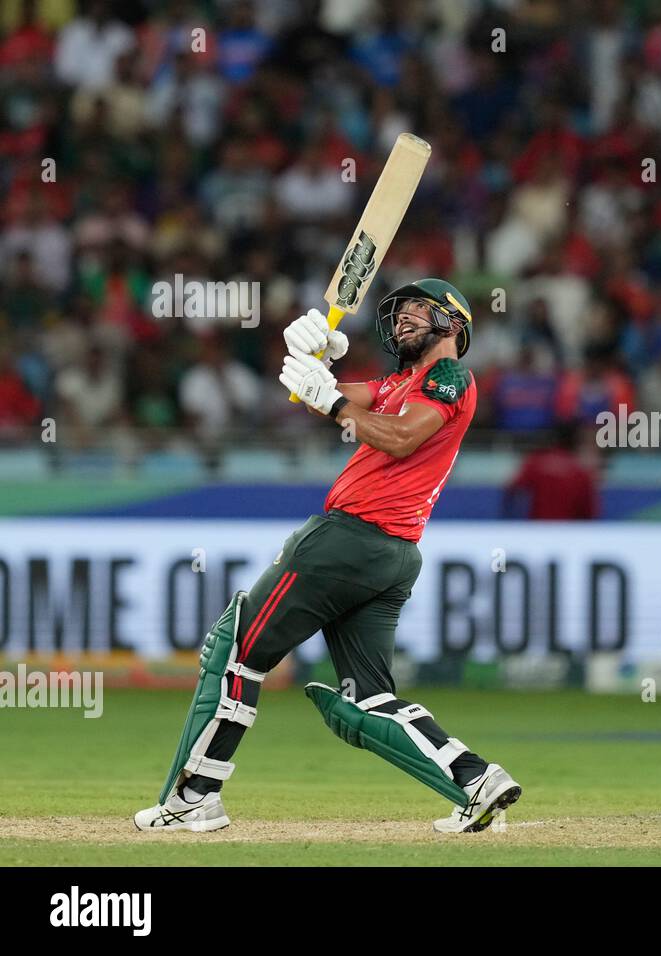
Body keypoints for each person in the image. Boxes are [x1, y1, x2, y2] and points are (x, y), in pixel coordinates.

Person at [134, 278, 521, 835]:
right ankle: (476, 780)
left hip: (347, 541)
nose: (404, 317)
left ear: (454, 325)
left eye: (419, 308)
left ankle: (195, 796)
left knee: (236, 651)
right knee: (367, 700)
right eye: (401, 310)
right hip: (390, 556)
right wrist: (311, 356)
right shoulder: (400, 383)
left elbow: (399, 436)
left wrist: (332, 397)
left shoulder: (449, 376)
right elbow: (314, 393)